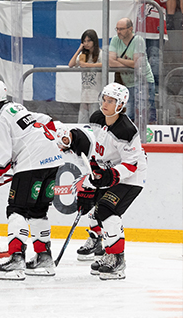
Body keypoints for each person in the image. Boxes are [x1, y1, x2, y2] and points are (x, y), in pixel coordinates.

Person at [0, 81, 65, 279]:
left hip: (31, 162)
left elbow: (2, 159)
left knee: (17, 209)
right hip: (53, 159)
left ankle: (16, 259)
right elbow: (45, 120)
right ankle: (44, 258)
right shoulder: (16, 107)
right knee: (37, 211)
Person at [59, 82, 147, 279]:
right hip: (109, 173)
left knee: (107, 209)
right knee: (97, 211)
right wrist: (90, 185)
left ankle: (117, 259)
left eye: (111, 101)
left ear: (121, 104)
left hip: (131, 177)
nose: (105, 104)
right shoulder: (97, 118)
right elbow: (95, 150)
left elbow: (131, 164)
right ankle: (109, 253)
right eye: (104, 99)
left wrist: (108, 176)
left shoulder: (126, 130)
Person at [124, 0, 172, 94]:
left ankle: (155, 89)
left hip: (157, 32)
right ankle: (139, 87)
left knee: (155, 60)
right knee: (139, 60)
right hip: (140, 29)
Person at [108, 17, 156, 118]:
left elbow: (136, 64)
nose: (118, 32)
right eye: (117, 29)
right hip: (126, 83)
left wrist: (118, 59)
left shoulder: (138, 40)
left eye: (121, 29)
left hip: (143, 81)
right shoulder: (115, 40)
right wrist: (129, 63)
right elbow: (111, 62)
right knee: (128, 115)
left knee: (146, 115)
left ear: (130, 29)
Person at [69, 29, 104, 122]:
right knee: (82, 122)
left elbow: (105, 64)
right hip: (85, 94)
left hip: (96, 95)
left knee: (94, 122)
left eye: (89, 41)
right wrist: (79, 49)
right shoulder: (83, 55)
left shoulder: (100, 53)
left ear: (94, 41)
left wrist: (88, 65)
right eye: (84, 41)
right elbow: (71, 64)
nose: (86, 43)